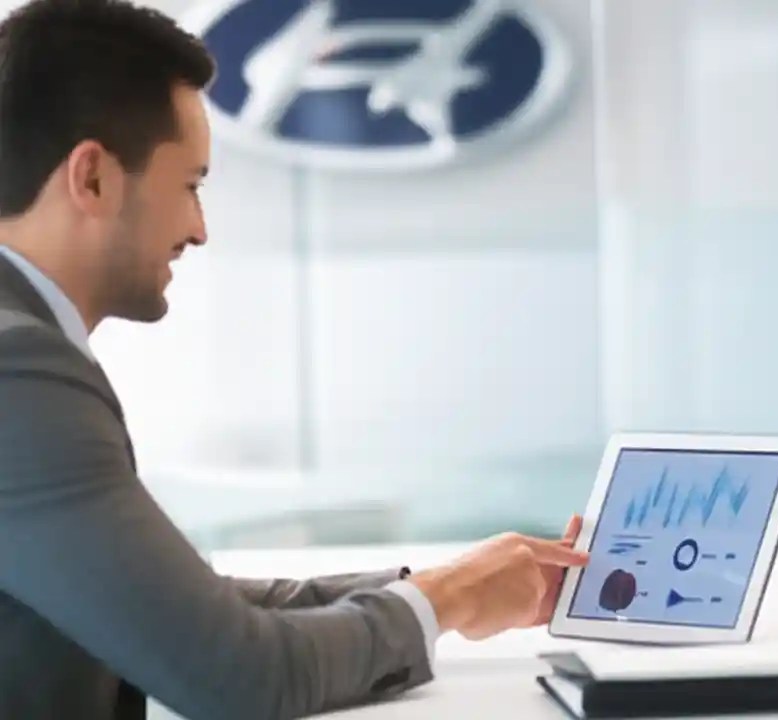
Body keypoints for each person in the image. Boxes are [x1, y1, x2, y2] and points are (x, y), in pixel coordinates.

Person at [0, 1, 587, 718]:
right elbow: (238, 674)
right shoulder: (20, 373)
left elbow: (185, 611)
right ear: (91, 179)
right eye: (190, 185)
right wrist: (444, 599)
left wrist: (440, 584)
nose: (200, 228)